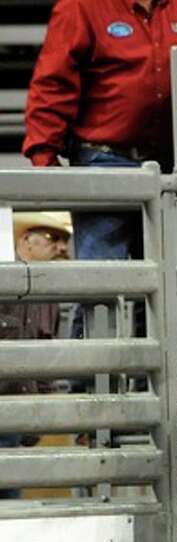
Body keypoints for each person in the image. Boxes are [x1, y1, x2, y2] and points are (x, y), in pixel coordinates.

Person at [22, 0, 177, 306]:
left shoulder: (175, 4)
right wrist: (44, 155)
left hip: (162, 164)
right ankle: (97, 362)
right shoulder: (83, 5)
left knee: (161, 287)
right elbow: (53, 82)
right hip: (105, 158)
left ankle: (139, 362)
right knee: (102, 284)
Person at [1, 212, 72, 498]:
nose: (62, 248)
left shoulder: (48, 296)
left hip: (16, 418)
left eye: (65, 241)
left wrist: (38, 417)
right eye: (53, 239)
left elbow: (45, 362)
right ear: (24, 242)